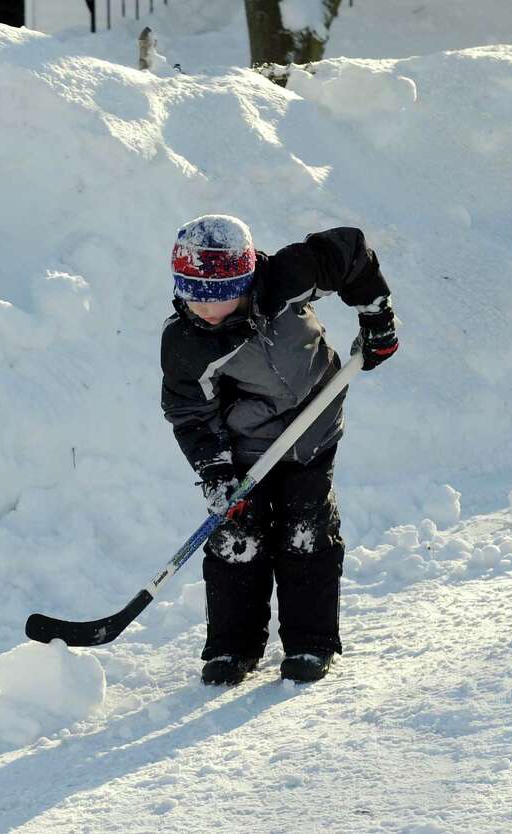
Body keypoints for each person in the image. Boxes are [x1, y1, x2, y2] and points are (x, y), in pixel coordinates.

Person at [159, 214, 398, 685]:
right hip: (246, 448)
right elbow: (190, 414)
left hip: (315, 426)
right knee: (236, 539)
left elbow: (350, 252)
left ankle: (310, 643)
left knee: (306, 531)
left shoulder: (286, 278)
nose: (206, 309)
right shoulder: (186, 341)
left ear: (247, 278)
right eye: (194, 295)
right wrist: (216, 472)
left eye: (218, 296)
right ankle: (232, 649)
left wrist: (377, 318)